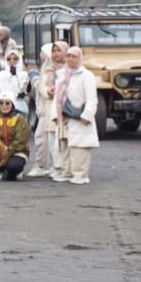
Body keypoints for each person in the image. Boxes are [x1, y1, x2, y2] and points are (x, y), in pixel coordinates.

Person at [52, 46, 99, 184]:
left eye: (74, 56)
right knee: (64, 146)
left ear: (80, 58)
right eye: (68, 56)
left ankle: (80, 175)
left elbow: (92, 98)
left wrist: (87, 115)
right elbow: (57, 97)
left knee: (80, 148)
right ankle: (67, 172)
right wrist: (56, 115)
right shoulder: (62, 74)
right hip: (64, 117)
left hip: (79, 117)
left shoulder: (87, 75)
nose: (70, 59)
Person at [26, 42, 68, 178]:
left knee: (59, 140)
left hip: (64, 109)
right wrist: (47, 91)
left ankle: (60, 166)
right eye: (53, 51)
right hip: (46, 108)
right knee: (43, 138)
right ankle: (44, 165)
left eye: (58, 51)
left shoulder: (69, 68)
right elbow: (43, 88)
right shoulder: (47, 67)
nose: (55, 54)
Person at [0, 96, 30, 181]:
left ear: (12, 104)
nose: (4, 106)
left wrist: (8, 152)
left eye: (7, 103)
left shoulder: (19, 119)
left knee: (13, 167)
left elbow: (21, 140)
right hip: (1, 150)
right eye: (1, 103)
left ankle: (15, 172)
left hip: (17, 151)